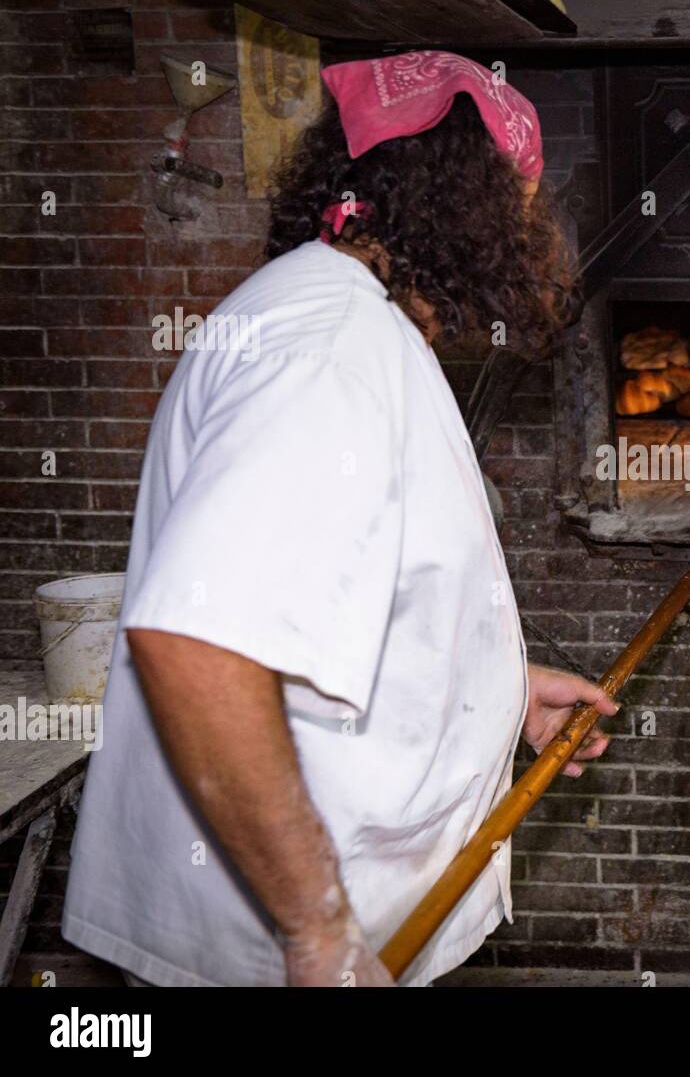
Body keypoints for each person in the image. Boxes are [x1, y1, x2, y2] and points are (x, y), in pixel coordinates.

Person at [62, 51, 616, 987]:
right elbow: (194, 643)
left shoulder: (330, 314)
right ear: (474, 214)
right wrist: (316, 930)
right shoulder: (329, 349)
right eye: (520, 214)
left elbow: (326, 595)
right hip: (272, 944)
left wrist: (495, 694)